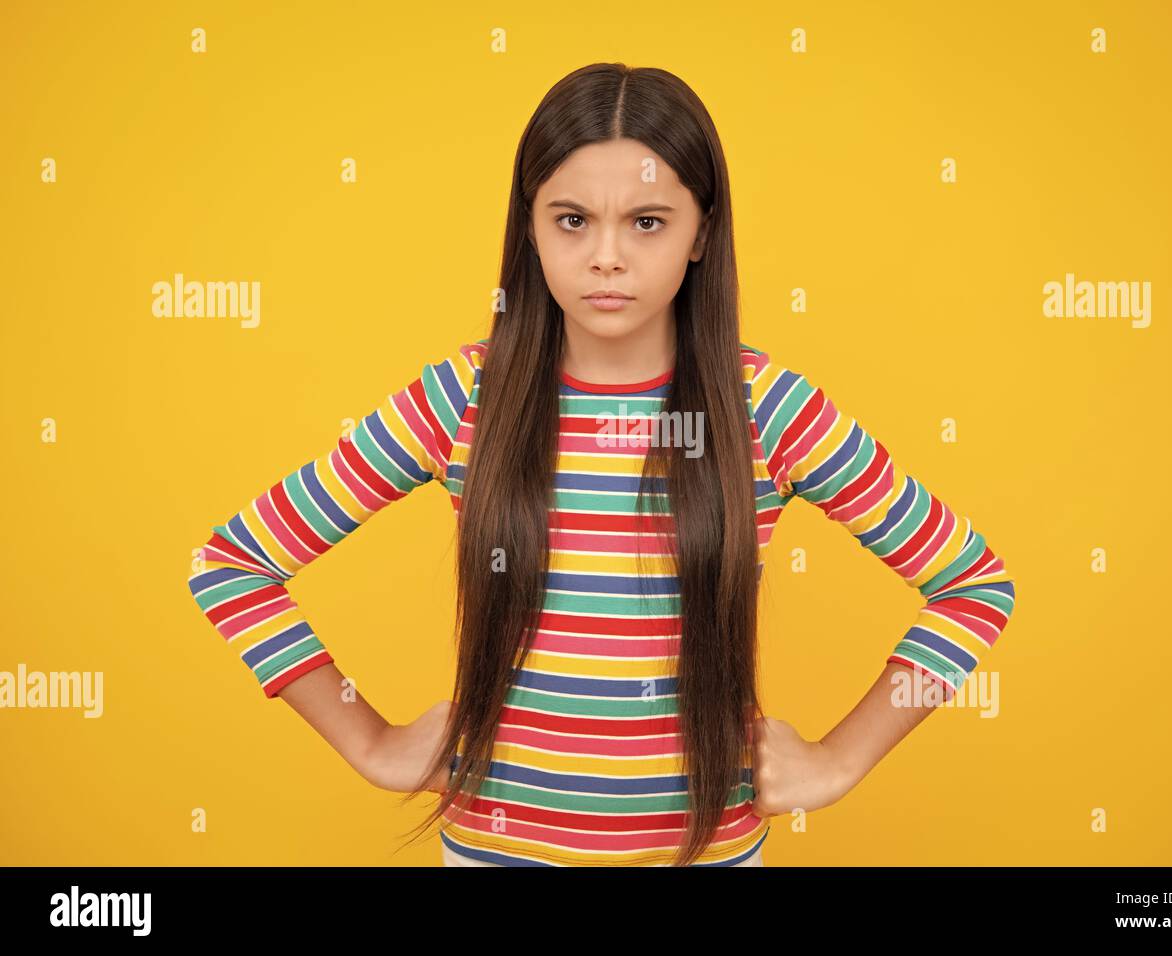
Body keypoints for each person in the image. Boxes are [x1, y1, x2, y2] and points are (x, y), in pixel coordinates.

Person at [187, 62, 1017, 867]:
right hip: (491, 854)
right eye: (573, 220)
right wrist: (366, 740)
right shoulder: (460, 400)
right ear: (532, 228)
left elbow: (973, 585)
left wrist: (840, 761)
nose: (607, 257)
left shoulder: (766, 407)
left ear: (702, 234)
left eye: (648, 221)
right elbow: (232, 564)